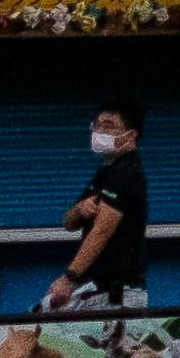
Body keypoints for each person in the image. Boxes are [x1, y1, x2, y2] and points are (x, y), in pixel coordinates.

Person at [43, 100, 153, 312]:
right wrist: (80, 209)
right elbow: (68, 222)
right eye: (97, 125)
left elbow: (102, 230)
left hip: (118, 292)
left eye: (109, 126)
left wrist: (68, 278)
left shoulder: (127, 173)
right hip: (95, 287)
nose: (101, 131)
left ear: (131, 135)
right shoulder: (105, 174)